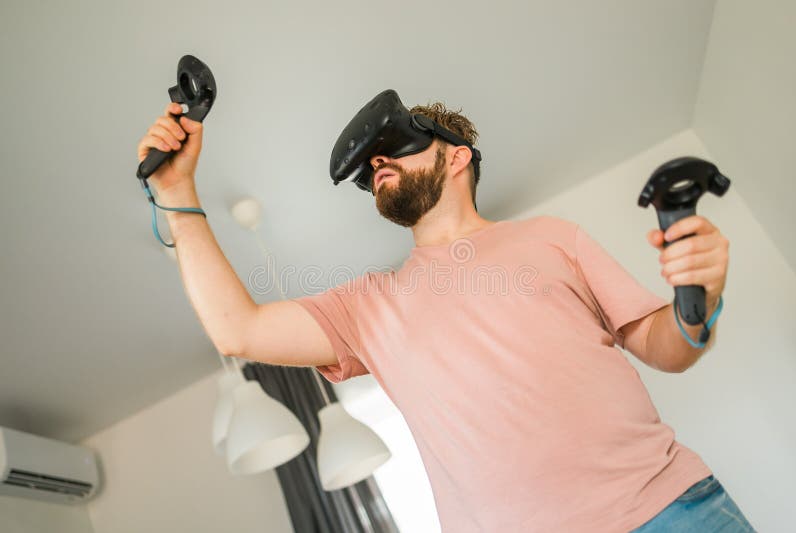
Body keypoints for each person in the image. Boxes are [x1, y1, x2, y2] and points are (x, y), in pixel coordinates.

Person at [137, 100, 755, 532]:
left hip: (671, 511)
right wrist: (175, 191)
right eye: (369, 165)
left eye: (393, 149)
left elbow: (667, 348)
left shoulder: (552, 238)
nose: (376, 164)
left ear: (457, 158)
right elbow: (236, 330)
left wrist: (698, 297)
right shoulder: (366, 306)